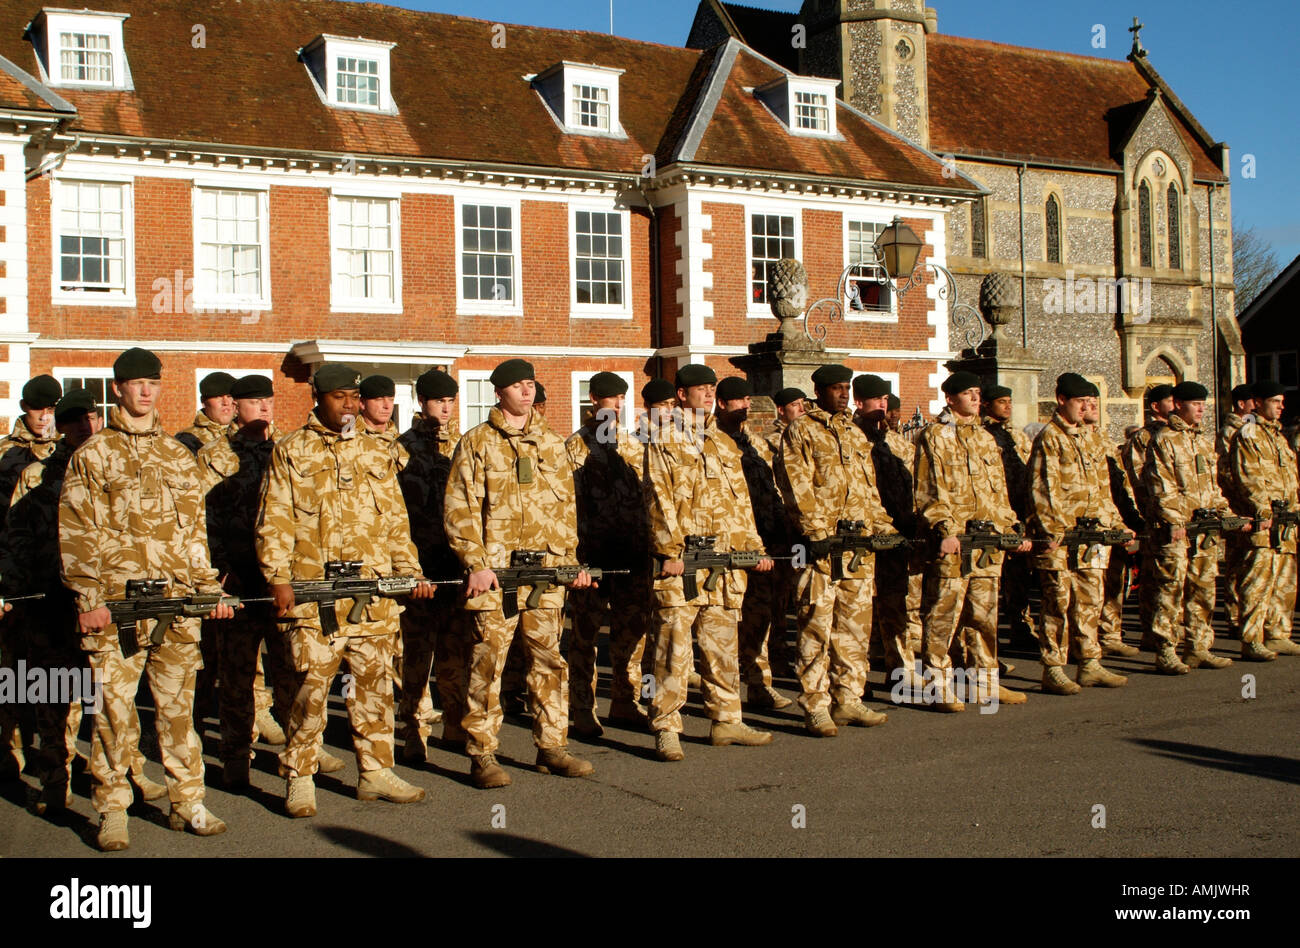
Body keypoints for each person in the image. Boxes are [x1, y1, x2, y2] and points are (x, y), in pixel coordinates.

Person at [60, 347, 233, 851]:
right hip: (116, 607)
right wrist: (88, 596)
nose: (144, 391)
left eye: (152, 383)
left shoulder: (178, 455)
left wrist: (206, 589)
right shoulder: (93, 455)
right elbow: (75, 529)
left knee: (180, 711)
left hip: (177, 607)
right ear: (117, 389)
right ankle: (113, 809)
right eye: (134, 383)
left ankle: (188, 802)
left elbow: (193, 532)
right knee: (115, 713)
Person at [257, 363, 431, 817]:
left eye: (355, 397)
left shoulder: (377, 451)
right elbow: (274, 515)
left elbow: (395, 518)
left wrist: (407, 571)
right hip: (316, 592)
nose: (351, 405)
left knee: (374, 688)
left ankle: (375, 772)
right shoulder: (292, 450)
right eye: (340, 397)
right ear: (318, 397)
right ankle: (300, 775)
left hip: (371, 593)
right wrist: (277, 576)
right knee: (310, 688)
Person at [443, 358, 594, 788]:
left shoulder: (552, 443)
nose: (526, 392)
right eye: (517, 386)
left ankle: (552, 746)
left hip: (545, 574)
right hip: (496, 575)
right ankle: (482, 754)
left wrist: (569, 562)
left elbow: (565, 509)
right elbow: (459, 508)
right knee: (487, 663)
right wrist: (474, 562)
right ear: (499, 393)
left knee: (549, 661)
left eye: (530, 384)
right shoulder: (478, 442)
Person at [643, 364, 775, 761]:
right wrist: (668, 550)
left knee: (722, 648)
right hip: (683, 564)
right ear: (681, 395)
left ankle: (727, 721)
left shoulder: (722, 443)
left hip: (724, 564)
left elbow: (739, 502)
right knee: (673, 650)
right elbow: (657, 497)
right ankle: (667, 727)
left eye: (710, 388)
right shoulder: (664, 437)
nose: (706, 394)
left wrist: (753, 547)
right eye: (699, 388)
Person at [776, 363, 893, 734]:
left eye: (847, 388)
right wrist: (814, 530)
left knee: (855, 628)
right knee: (816, 627)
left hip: (858, 546)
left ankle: (849, 699)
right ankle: (815, 704)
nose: (844, 394)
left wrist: (884, 527)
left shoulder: (854, 434)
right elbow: (796, 484)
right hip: (822, 548)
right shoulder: (802, 430)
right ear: (820, 391)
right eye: (838, 388)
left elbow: (868, 488)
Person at [195, 374, 295, 788]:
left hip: (283, 583)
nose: (264, 409)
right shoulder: (217, 456)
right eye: (254, 402)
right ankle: (236, 755)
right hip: (237, 582)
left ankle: (300, 753)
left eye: (268, 401)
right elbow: (199, 518)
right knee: (237, 679)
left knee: (292, 673)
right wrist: (216, 572)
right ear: (236, 407)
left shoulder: (287, 451)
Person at [914, 371, 1032, 711]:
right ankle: (937, 685)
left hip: (987, 541)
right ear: (951, 398)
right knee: (943, 616)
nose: (976, 398)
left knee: (983, 616)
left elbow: (998, 489)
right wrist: (944, 529)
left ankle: (984, 683)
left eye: (978, 393)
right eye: (968, 393)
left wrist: (1009, 526)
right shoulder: (935, 435)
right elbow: (928, 488)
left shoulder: (984, 438)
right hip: (955, 539)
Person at [1028, 374, 1131, 694]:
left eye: (1091, 401)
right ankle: (1054, 667)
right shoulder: (1051, 437)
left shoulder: (1093, 439)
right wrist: (1052, 531)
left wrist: (1116, 524)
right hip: (1061, 536)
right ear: (1062, 401)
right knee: (1058, 602)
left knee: (1090, 600)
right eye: (1080, 401)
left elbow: (1103, 491)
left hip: (1092, 535)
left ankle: (1089, 662)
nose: (1087, 407)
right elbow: (1043, 490)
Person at [1143, 381, 1246, 674]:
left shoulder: (1200, 441)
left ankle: (1198, 646)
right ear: (1178, 404)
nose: (1201, 409)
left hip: (1205, 528)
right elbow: (1161, 486)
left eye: (1204, 404)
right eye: (1195, 403)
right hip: (1176, 528)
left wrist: (1226, 512)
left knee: (1203, 589)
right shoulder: (1164, 439)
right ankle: (1166, 649)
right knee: (1171, 588)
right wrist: (1174, 520)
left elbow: (1211, 486)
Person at [395, 369, 467, 760]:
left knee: (455, 649)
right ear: (421, 402)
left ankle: (455, 722)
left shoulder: (462, 445)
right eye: (438, 400)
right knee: (417, 654)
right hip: (418, 564)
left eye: (450, 400)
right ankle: (414, 731)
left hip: (454, 562)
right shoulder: (401, 447)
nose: (444, 406)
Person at [714, 376, 792, 710]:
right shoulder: (713, 443)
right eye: (739, 401)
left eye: (748, 399)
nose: (746, 405)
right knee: (730, 623)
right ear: (721, 404)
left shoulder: (754, 443)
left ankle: (759, 684)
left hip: (764, 542)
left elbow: (771, 490)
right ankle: (725, 697)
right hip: (734, 546)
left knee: (761, 616)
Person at [0, 373, 63, 777]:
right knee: (12, 664)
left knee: (56, 668)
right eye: (39, 409)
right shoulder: (7, 454)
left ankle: (54, 745)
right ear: (25, 409)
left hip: (56, 573)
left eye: (52, 409)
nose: (45, 416)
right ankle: (12, 742)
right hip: (15, 572)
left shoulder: (69, 450)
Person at [852, 374, 924, 694]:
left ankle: (901, 670)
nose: (883, 405)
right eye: (876, 399)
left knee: (897, 606)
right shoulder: (851, 438)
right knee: (859, 613)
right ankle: (855, 677)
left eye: (886, 399)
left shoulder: (893, 440)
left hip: (897, 533)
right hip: (867, 536)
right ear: (859, 402)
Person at [1225, 380, 1300, 659]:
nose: (1281, 406)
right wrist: (1263, 511)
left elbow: (1290, 478)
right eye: (1275, 401)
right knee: (1257, 582)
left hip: (1287, 521)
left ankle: (1278, 632)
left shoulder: (1278, 436)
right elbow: (1248, 478)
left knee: (1284, 581)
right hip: (1265, 522)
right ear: (1258, 403)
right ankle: (1252, 638)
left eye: (1282, 401)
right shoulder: (1249, 434)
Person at [982, 384, 1035, 650]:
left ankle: (1021, 626)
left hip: (1018, 510)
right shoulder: (983, 436)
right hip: (995, 513)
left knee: (1019, 576)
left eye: (1009, 401)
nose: (1007, 406)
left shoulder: (1018, 437)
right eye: (1001, 401)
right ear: (987, 405)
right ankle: (990, 643)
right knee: (992, 581)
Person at [1123, 384, 1175, 642]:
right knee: (1153, 576)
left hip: (1172, 516)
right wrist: (1146, 513)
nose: (1175, 405)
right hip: (1152, 516)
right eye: (1170, 401)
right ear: (1156, 407)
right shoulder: (1142, 438)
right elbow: (1137, 479)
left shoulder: (1175, 436)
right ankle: (1149, 631)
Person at [1217, 383, 1256, 640]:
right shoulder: (1230, 432)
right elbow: (1226, 471)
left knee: (1247, 562)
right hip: (1236, 505)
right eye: (1254, 401)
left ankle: (1244, 612)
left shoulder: (1251, 430)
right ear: (1242, 404)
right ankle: (1233, 614)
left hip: (1249, 507)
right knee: (1235, 561)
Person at [176, 371, 236, 454]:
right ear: (203, 401)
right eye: (217, 396)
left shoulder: (249, 432)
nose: (225, 402)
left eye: (229, 396)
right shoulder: (188, 439)